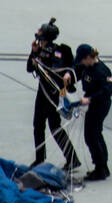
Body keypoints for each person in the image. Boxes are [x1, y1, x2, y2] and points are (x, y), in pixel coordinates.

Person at [26, 19, 78, 170]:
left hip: (53, 94)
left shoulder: (58, 52)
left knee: (54, 126)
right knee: (38, 125)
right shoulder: (39, 51)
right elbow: (30, 68)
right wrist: (33, 52)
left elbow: (57, 72)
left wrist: (43, 62)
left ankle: (72, 158)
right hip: (42, 93)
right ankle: (39, 158)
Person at [70, 44, 112, 180]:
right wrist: (69, 74)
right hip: (92, 103)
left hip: (99, 105)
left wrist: (90, 99)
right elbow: (77, 69)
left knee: (91, 136)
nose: (82, 63)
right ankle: (103, 166)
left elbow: (107, 91)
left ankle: (100, 168)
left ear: (89, 57)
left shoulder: (102, 71)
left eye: (83, 60)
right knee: (96, 134)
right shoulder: (87, 66)